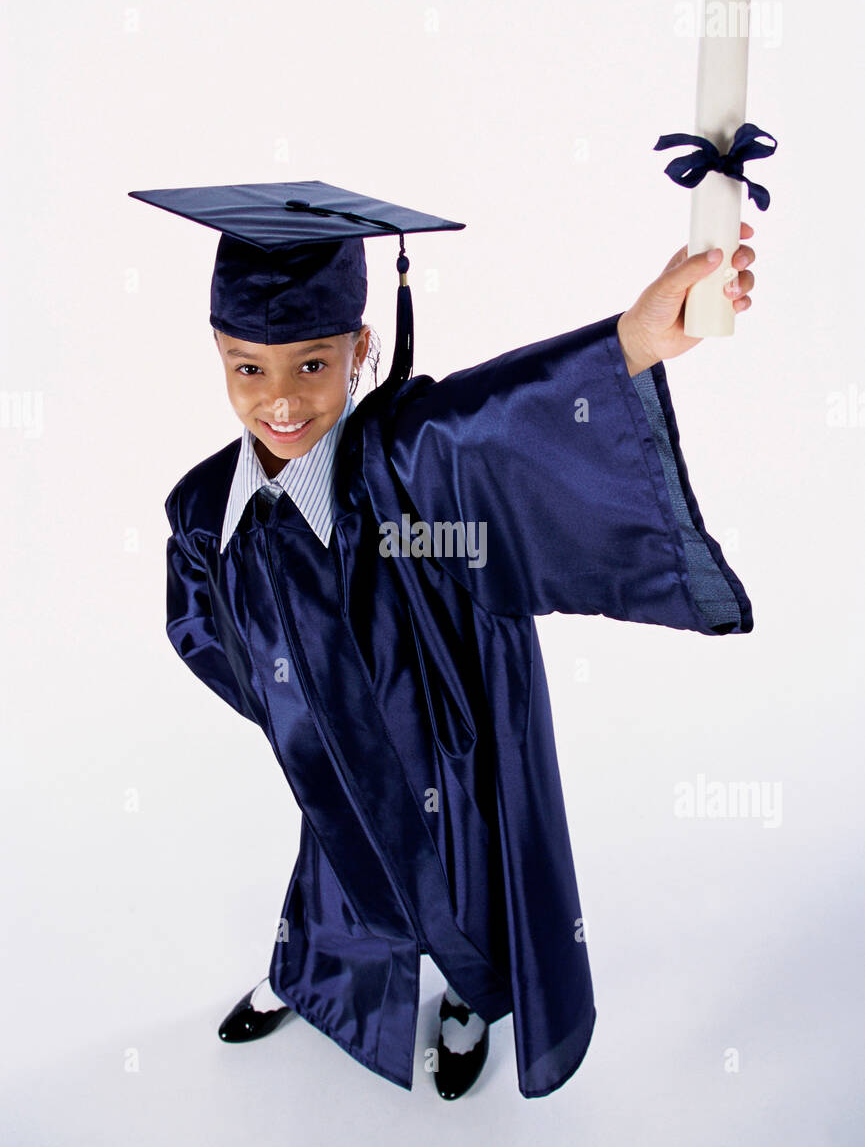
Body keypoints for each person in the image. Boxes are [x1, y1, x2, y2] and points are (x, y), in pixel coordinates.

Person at [129, 180, 756, 1100]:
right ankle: (309, 976)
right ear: (219, 359)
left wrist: (634, 340)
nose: (281, 402)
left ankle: (471, 997)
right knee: (335, 863)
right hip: (328, 753)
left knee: (467, 874)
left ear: (360, 349)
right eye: (247, 367)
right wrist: (298, 715)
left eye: (312, 365)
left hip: (444, 741)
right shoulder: (199, 508)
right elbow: (197, 626)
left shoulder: (399, 461)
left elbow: (492, 419)